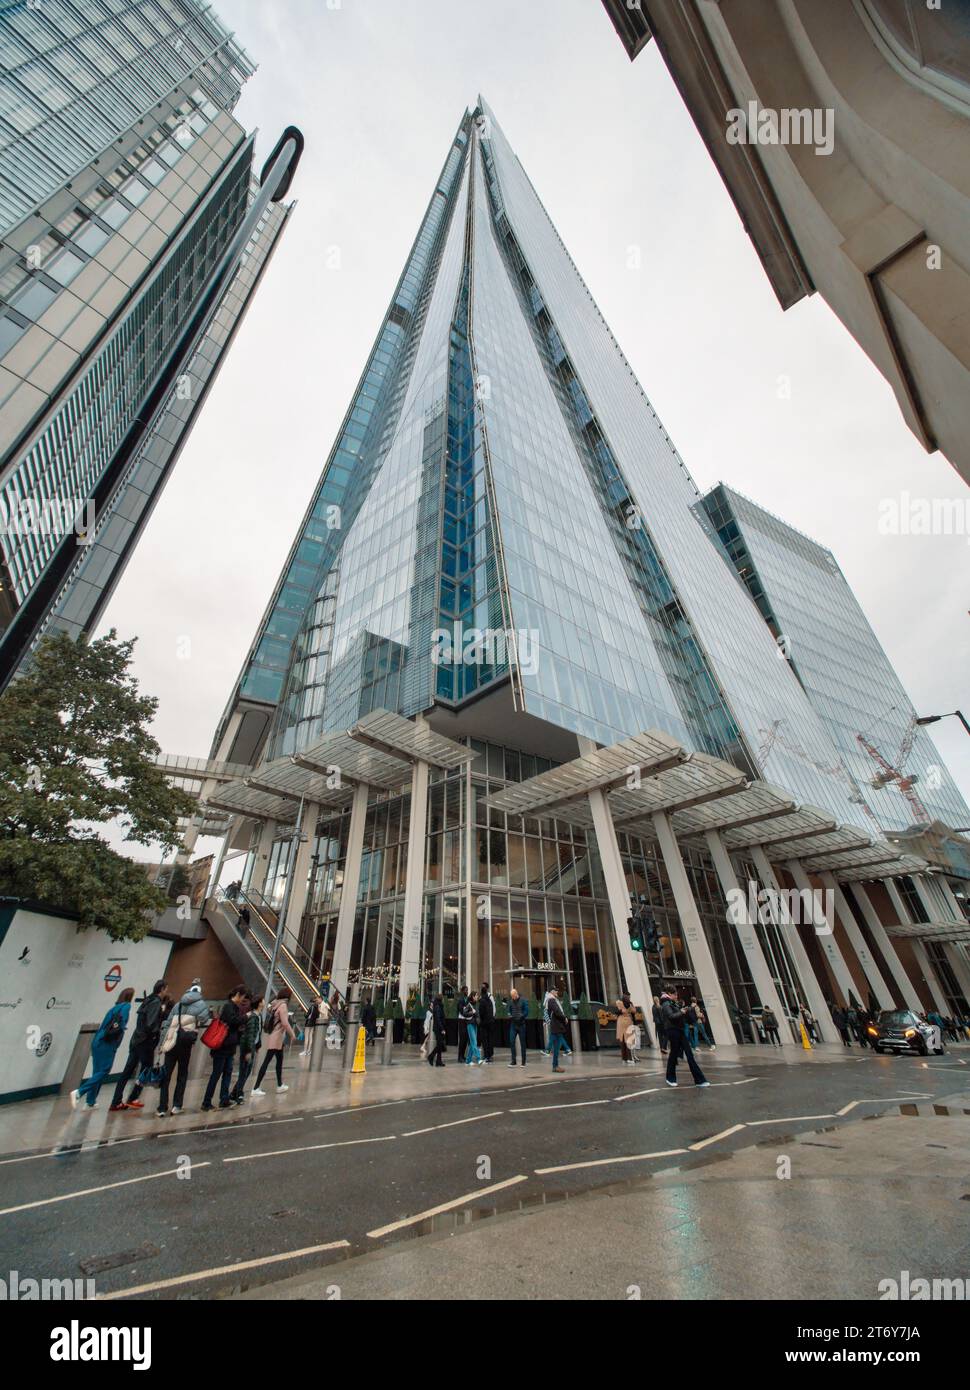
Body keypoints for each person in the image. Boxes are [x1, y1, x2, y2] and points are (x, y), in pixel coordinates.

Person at [109, 979, 167, 1112]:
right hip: (145, 1042)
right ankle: (133, 1098)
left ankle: (116, 1101)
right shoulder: (156, 1003)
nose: (166, 992)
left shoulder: (147, 1001)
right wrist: (155, 1037)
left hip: (135, 1040)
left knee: (128, 1070)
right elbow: (151, 1024)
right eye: (166, 989)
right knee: (145, 1070)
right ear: (162, 989)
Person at [72, 989, 135, 1109]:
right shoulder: (126, 1006)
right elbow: (120, 1024)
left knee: (97, 1072)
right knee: (105, 1070)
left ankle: (90, 1101)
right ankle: (79, 1092)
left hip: (98, 1040)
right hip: (108, 1042)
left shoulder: (113, 1008)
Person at [157, 981, 212, 1117]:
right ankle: (177, 1105)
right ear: (198, 993)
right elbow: (204, 1019)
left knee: (167, 1074)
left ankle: (162, 1107)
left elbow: (167, 1024)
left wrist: (161, 1044)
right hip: (185, 1043)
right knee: (182, 1074)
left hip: (172, 1040)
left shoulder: (178, 1004)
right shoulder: (201, 1004)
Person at [201, 985, 246, 1110]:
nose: (242, 999)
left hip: (229, 1047)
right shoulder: (228, 1006)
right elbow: (233, 1021)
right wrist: (245, 1018)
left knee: (227, 1073)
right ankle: (206, 1101)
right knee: (216, 1074)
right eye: (242, 996)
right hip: (222, 1047)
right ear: (237, 994)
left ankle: (224, 1099)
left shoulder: (234, 1007)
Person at [661, 988, 710, 1088]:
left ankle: (699, 1080)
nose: (676, 996)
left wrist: (684, 1011)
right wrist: (681, 1012)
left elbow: (676, 1015)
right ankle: (670, 1078)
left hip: (680, 1030)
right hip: (673, 1031)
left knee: (689, 1054)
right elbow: (671, 1016)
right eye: (675, 994)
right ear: (669, 994)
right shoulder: (666, 1004)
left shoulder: (672, 1003)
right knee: (674, 1054)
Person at [253, 988, 296, 1094]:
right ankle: (256, 1087)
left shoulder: (274, 1004)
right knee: (266, 1062)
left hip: (274, 1036)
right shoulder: (283, 1006)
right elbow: (285, 1023)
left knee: (279, 1061)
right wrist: (292, 1034)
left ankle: (280, 1084)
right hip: (276, 1038)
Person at [232, 992, 263, 1103]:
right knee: (244, 1071)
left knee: (246, 1071)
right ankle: (238, 1094)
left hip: (252, 1047)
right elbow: (250, 1034)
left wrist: (258, 1045)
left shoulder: (258, 1016)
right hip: (247, 1048)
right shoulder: (253, 1017)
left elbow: (258, 1033)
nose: (264, 1002)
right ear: (259, 1003)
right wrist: (249, 1050)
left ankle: (235, 1092)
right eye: (262, 1001)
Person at [547, 988, 570, 1072]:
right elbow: (557, 1011)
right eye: (555, 990)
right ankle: (555, 1066)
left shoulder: (552, 1000)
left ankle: (555, 1065)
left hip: (556, 1027)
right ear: (552, 992)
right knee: (556, 1046)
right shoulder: (552, 1000)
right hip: (556, 1026)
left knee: (556, 1045)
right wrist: (564, 1018)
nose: (557, 992)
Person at [462, 990, 483, 1065]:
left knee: (472, 1043)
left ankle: (468, 1060)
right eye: (476, 995)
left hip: (475, 1024)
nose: (477, 997)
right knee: (474, 1042)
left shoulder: (477, 1004)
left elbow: (478, 1014)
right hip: (470, 1024)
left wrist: (478, 1019)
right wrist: (472, 1012)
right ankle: (478, 1058)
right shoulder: (469, 1004)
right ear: (473, 996)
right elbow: (464, 1013)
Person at [508, 988, 528, 1067]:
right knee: (512, 1041)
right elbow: (509, 1010)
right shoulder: (511, 1002)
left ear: (516, 994)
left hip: (521, 1024)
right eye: (511, 996)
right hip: (513, 1024)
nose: (513, 998)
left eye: (513, 996)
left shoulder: (523, 1000)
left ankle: (523, 1062)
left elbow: (526, 1011)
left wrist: (522, 1016)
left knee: (523, 1043)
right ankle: (513, 1061)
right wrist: (509, 1014)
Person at [427, 993, 446, 1067]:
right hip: (438, 1028)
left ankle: (438, 1061)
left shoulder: (438, 1006)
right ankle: (431, 1056)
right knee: (439, 1044)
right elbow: (438, 1019)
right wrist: (442, 1029)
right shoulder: (438, 1007)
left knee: (440, 1045)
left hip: (439, 1027)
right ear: (440, 999)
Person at [616, 995, 636, 1065]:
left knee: (622, 1040)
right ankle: (629, 1059)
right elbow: (634, 1011)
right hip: (627, 1022)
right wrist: (631, 1004)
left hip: (620, 1022)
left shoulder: (619, 1003)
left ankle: (624, 1058)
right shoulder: (629, 1004)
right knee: (628, 1041)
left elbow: (619, 1010)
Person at [479, 982, 495, 1063]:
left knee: (486, 1039)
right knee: (489, 1039)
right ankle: (489, 1055)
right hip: (490, 1021)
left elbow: (481, 1012)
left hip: (485, 1022)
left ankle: (487, 1056)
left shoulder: (484, 998)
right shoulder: (488, 998)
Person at [457, 984, 469, 1063]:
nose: (467, 992)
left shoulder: (467, 999)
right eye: (465, 990)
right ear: (462, 991)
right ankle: (460, 1056)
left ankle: (463, 1056)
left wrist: (466, 1010)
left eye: (467, 990)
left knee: (465, 1039)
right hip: (461, 1021)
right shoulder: (460, 1000)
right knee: (462, 1039)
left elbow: (468, 1008)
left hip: (466, 1020)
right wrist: (466, 1010)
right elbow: (461, 1010)